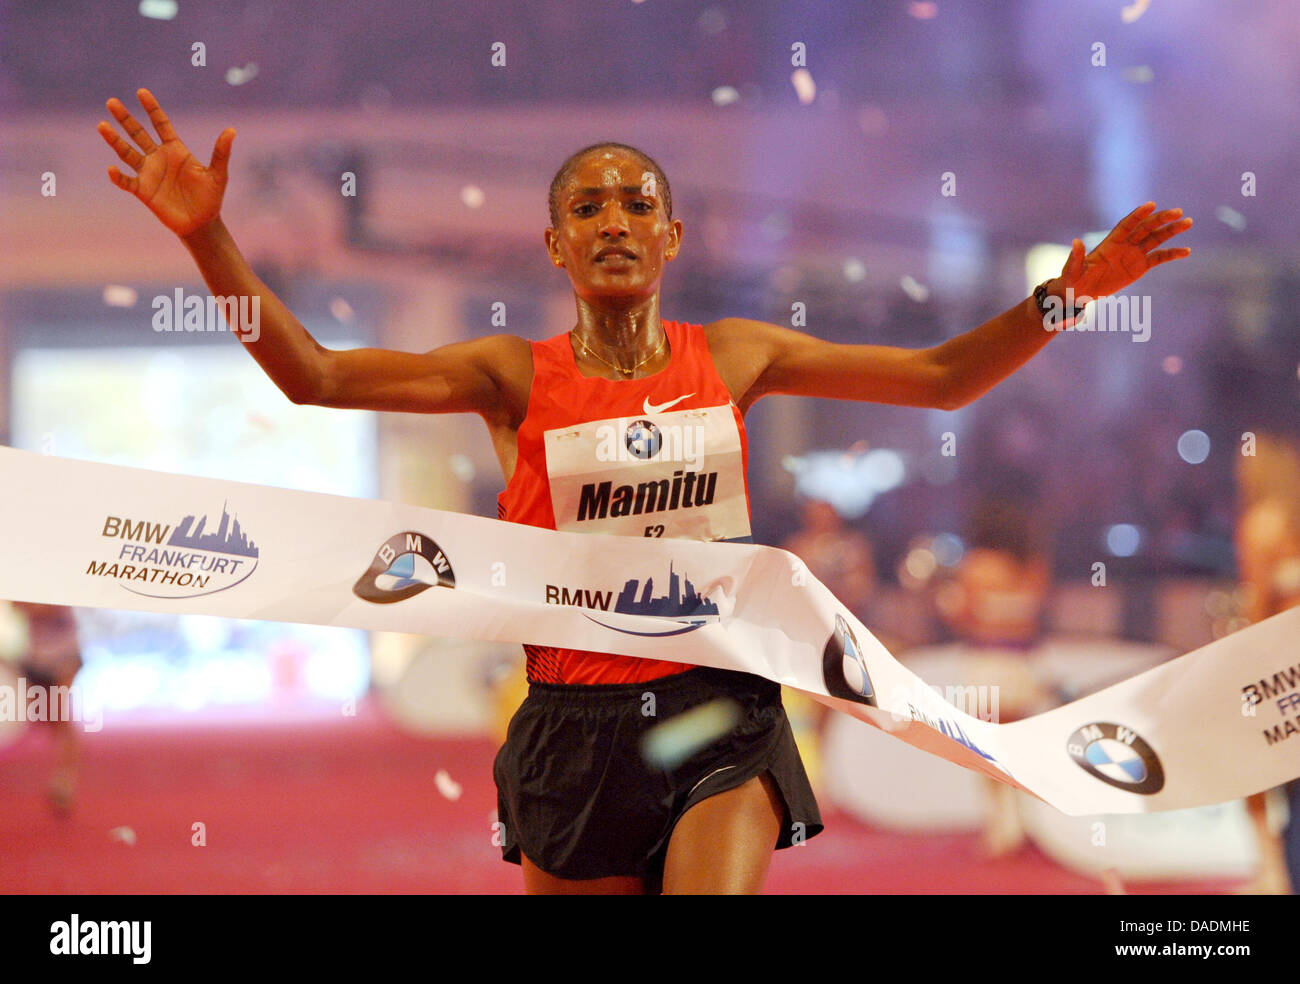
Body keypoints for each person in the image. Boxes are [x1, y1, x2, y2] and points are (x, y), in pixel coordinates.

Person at [97, 87, 1193, 894]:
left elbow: (944, 378)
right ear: (556, 245)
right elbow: (315, 377)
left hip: (718, 709)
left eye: (637, 203)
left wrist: (1067, 296)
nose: (614, 218)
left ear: (669, 237)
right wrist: (209, 238)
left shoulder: (737, 354)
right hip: (571, 731)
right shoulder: (509, 374)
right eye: (588, 206)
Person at [1235, 431, 1300, 894]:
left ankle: (1274, 869)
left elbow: (1258, 608)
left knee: (1249, 763)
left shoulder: (1261, 523)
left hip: (1283, 664)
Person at [10, 602, 83, 813]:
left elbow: (53, 607)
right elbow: (17, 606)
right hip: (36, 657)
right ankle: (62, 771)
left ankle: (65, 777)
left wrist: (35, 607)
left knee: (60, 714)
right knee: (47, 718)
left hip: (64, 657)